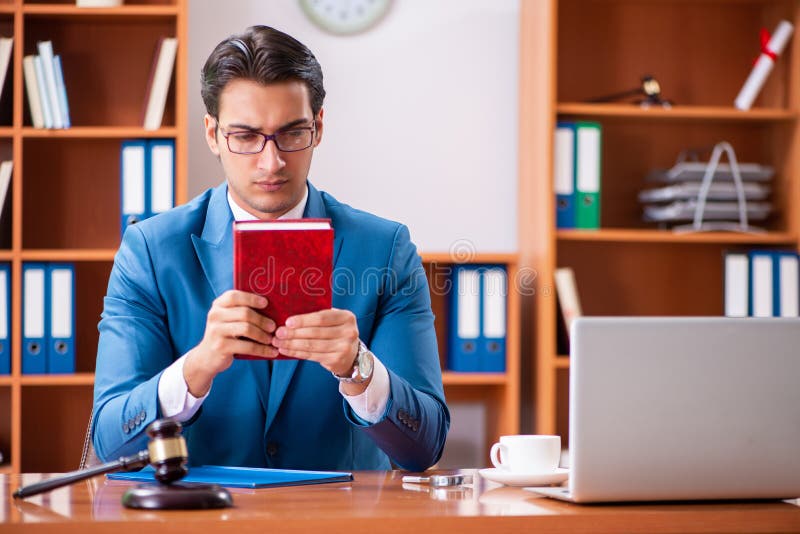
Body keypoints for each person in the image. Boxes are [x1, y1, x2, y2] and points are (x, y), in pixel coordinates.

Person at [91, 25, 449, 471]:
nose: (271, 161)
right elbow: (109, 439)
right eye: (244, 137)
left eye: (292, 133)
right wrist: (197, 367)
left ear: (318, 127)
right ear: (212, 134)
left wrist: (360, 369)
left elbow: (425, 446)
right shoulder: (149, 250)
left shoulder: (385, 249)